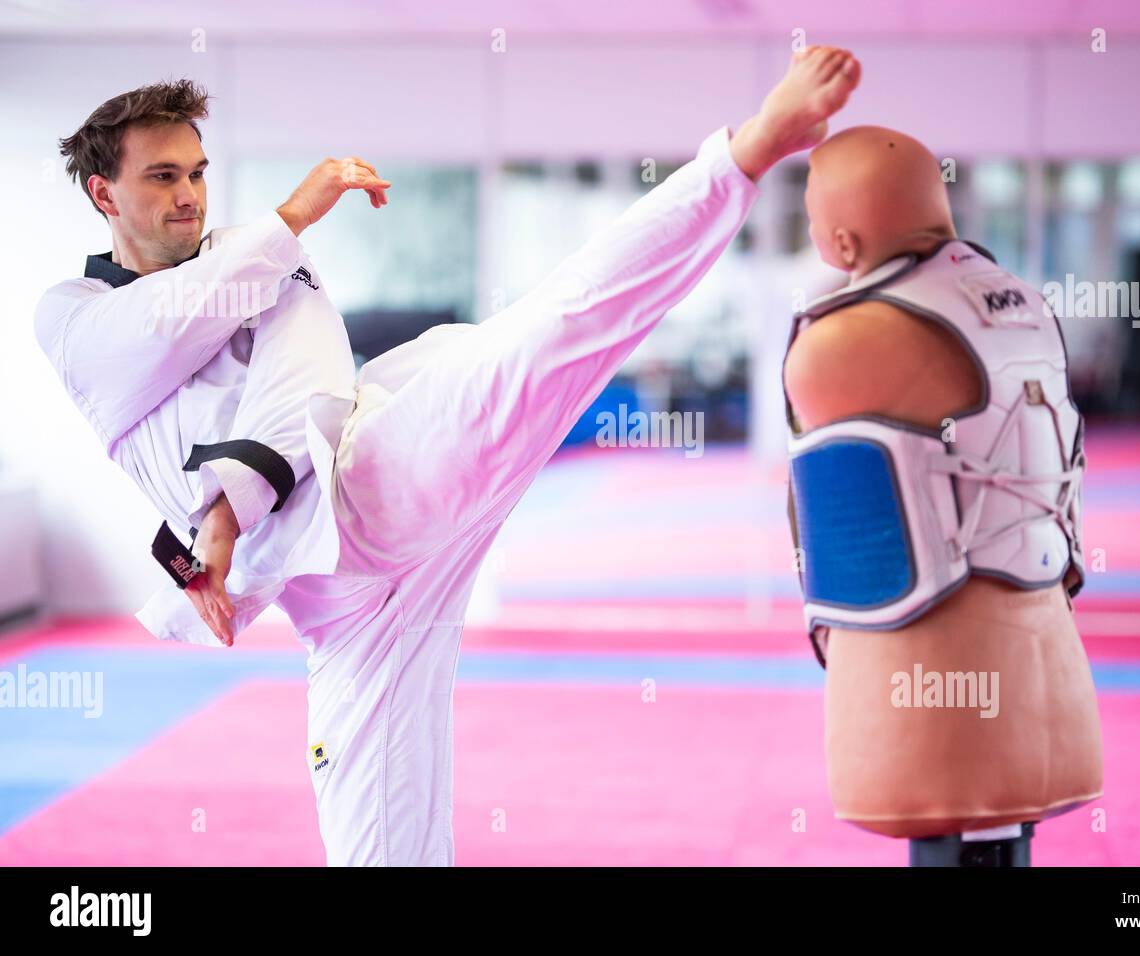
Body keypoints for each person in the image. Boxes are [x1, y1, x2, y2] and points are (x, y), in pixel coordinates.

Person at [36, 47, 862, 865]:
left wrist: (225, 513)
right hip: (343, 611)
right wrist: (286, 221)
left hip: (384, 472)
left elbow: (305, 378)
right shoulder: (71, 317)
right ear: (103, 192)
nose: (189, 196)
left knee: (560, 330)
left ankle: (747, 151)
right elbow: (149, 336)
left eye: (197, 172)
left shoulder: (258, 259)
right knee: (383, 850)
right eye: (162, 177)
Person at [782, 126, 1103, 866]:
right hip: (1046, 670)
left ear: (844, 237)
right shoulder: (1025, 305)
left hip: (929, 686)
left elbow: (835, 510)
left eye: (809, 211)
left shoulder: (839, 341)